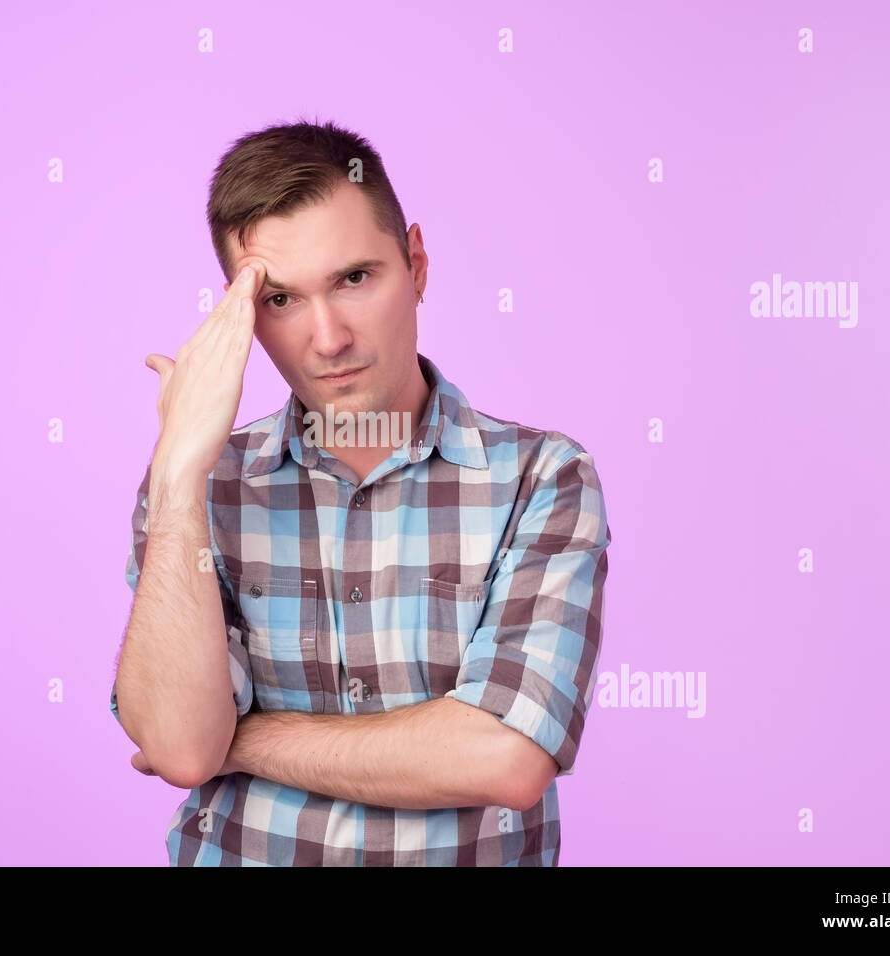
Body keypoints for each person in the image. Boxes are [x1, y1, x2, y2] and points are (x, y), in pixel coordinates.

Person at [110, 119, 611, 865]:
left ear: (416, 262)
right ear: (238, 316)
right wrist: (181, 470)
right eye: (280, 300)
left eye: (354, 278)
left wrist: (241, 740)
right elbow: (183, 749)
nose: (329, 338)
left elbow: (505, 756)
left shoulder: (541, 478)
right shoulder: (200, 486)